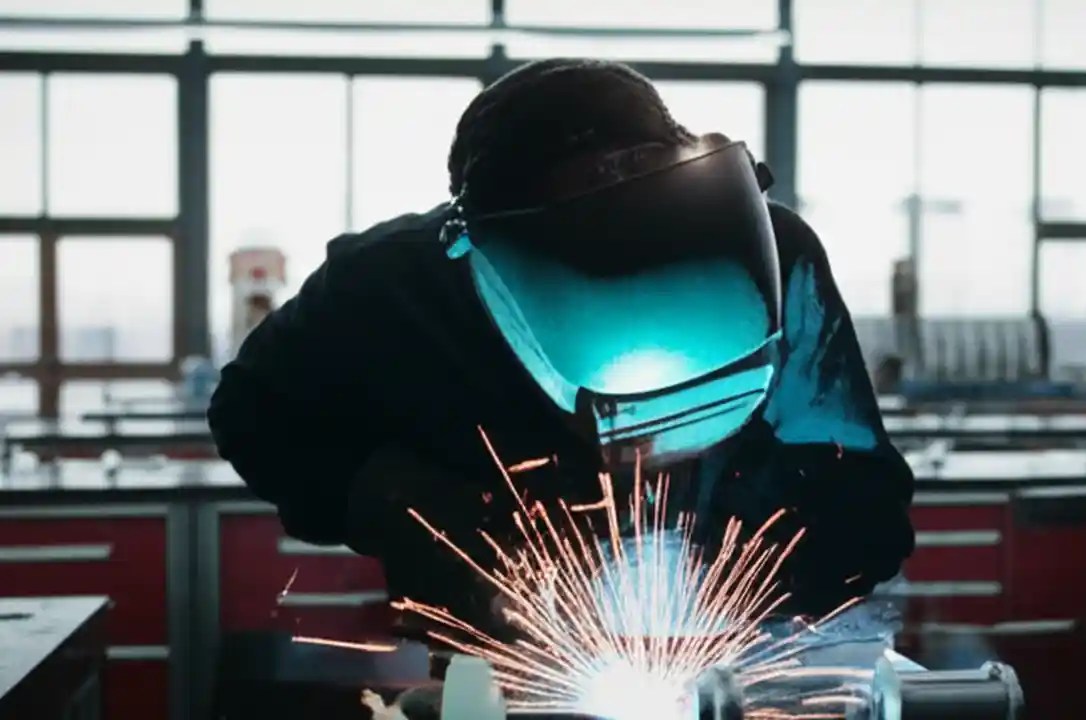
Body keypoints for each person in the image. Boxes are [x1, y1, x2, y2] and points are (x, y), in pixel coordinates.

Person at [208, 59, 915, 633]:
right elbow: (251, 415)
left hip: (745, 645)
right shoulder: (389, 285)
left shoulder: (769, 254)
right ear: (483, 247)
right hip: (497, 655)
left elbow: (861, 493)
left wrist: (741, 576)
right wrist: (404, 504)